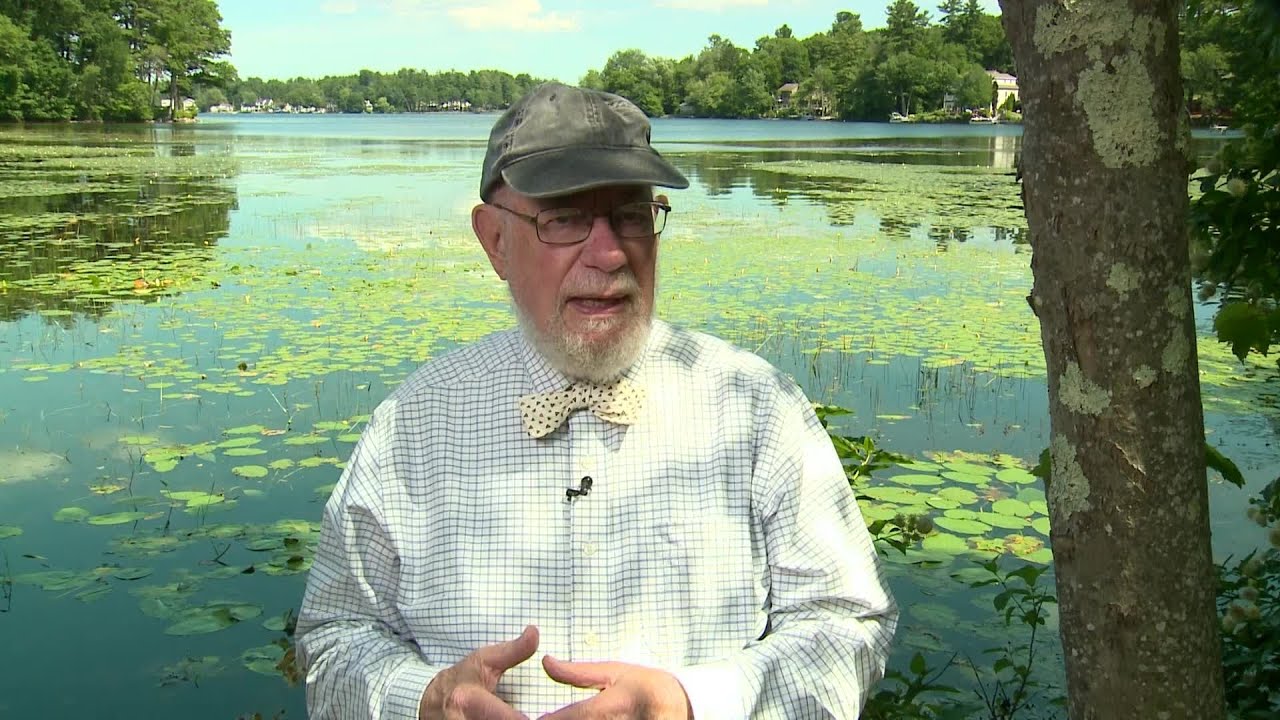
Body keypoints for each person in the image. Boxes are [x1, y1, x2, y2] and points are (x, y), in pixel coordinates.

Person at [296, 82, 897, 720]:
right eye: (564, 218)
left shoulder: (755, 406)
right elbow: (333, 641)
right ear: (494, 239)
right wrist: (423, 700)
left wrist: (692, 704)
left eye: (632, 216)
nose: (609, 253)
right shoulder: (414, 424)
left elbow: (847, 626)